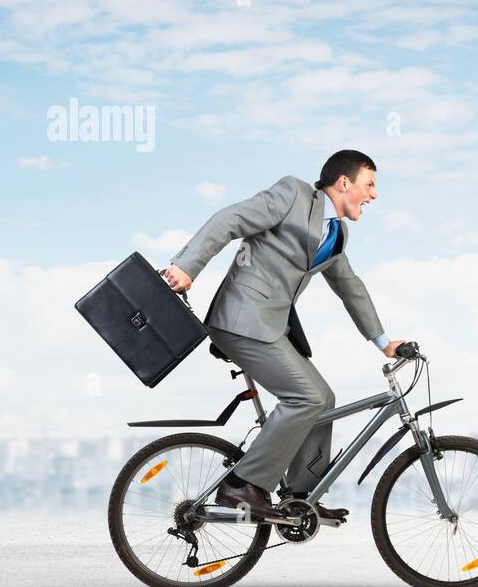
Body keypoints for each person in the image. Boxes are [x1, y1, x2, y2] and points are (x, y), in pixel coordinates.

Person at [162, 149, 405, 522]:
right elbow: (230, 219)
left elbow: (350, 288)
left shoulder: (336, 234)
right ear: (344, 183)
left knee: (323, 399)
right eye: (369, 184)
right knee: (304, 396)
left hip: (270, 327)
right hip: (241, 320)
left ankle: (300, 495)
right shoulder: (293, 195)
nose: (374, 195)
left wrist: (383, 341)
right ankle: (242, 484)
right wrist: (186, 265)